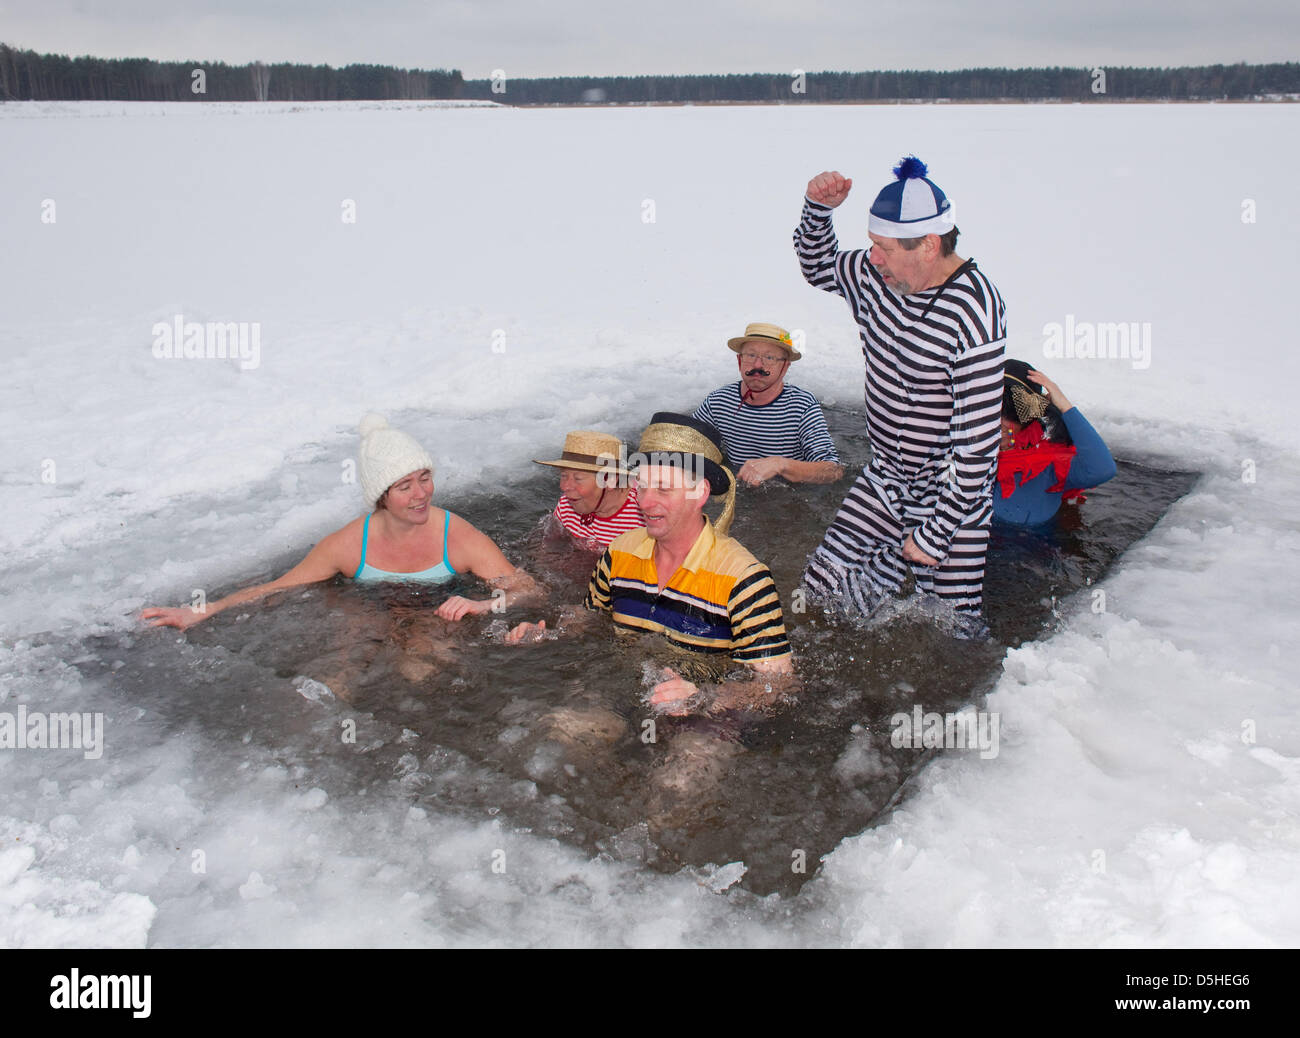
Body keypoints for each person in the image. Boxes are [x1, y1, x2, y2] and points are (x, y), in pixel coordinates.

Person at [794, 155, 1006, 624]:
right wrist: (817, 210)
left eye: (884, 248)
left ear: (929, 245)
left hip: (952, 490)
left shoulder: (975, 310)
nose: (872, 258)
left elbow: (977, 446)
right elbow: (818, 266)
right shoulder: (876, 277)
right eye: (871, 245)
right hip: (888, 475)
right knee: (822, 587)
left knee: (950, 622)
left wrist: (937, 532)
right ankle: (857, 666)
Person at [509, 413, 794, 715]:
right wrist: (550, 633)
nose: (644, 502)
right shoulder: (619, 553)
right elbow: (590, 619)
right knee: (567, 727)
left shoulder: (744, 579)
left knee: (692, 759)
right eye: (642, 487)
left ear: (700, 492)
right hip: (624, 692)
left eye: (663, 489)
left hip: (711, 716)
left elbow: (779, 686)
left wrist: (703, 699)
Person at [141, 414, 538, 631]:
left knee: (425, 672)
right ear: (381, 496)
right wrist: (208, 609)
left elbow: (526, 590)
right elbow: (280, 587)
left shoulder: (459, 537)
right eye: (404, 486)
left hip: (437, 618)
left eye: (424, 478)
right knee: (340, 672)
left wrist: (481, 604)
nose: (421, 494)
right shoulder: (348, 545)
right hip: (369, 614)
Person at [691, 322, 844, 486]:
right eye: (750, 356)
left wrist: (781, 464)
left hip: (790, 497)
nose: (757, 365)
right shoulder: (719, 401)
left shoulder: (802, 406)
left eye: (769, 358)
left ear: (785, 366)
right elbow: (686, 443)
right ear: (739, 360)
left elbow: (833, 471)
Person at [995, 360, 1116, 526]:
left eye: (1012, 411)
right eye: (992, 408)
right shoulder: (959, 454)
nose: (1000, 422)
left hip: (1033, 548)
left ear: (1029, 419)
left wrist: (1064, 406)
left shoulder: (1049, 467)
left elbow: (1102, 469)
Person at [534, 430, 644, 549]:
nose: (565, 487)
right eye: (564, 476)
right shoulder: (567, 505)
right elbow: (548, 552)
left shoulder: (643, 514)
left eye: (578, 478)